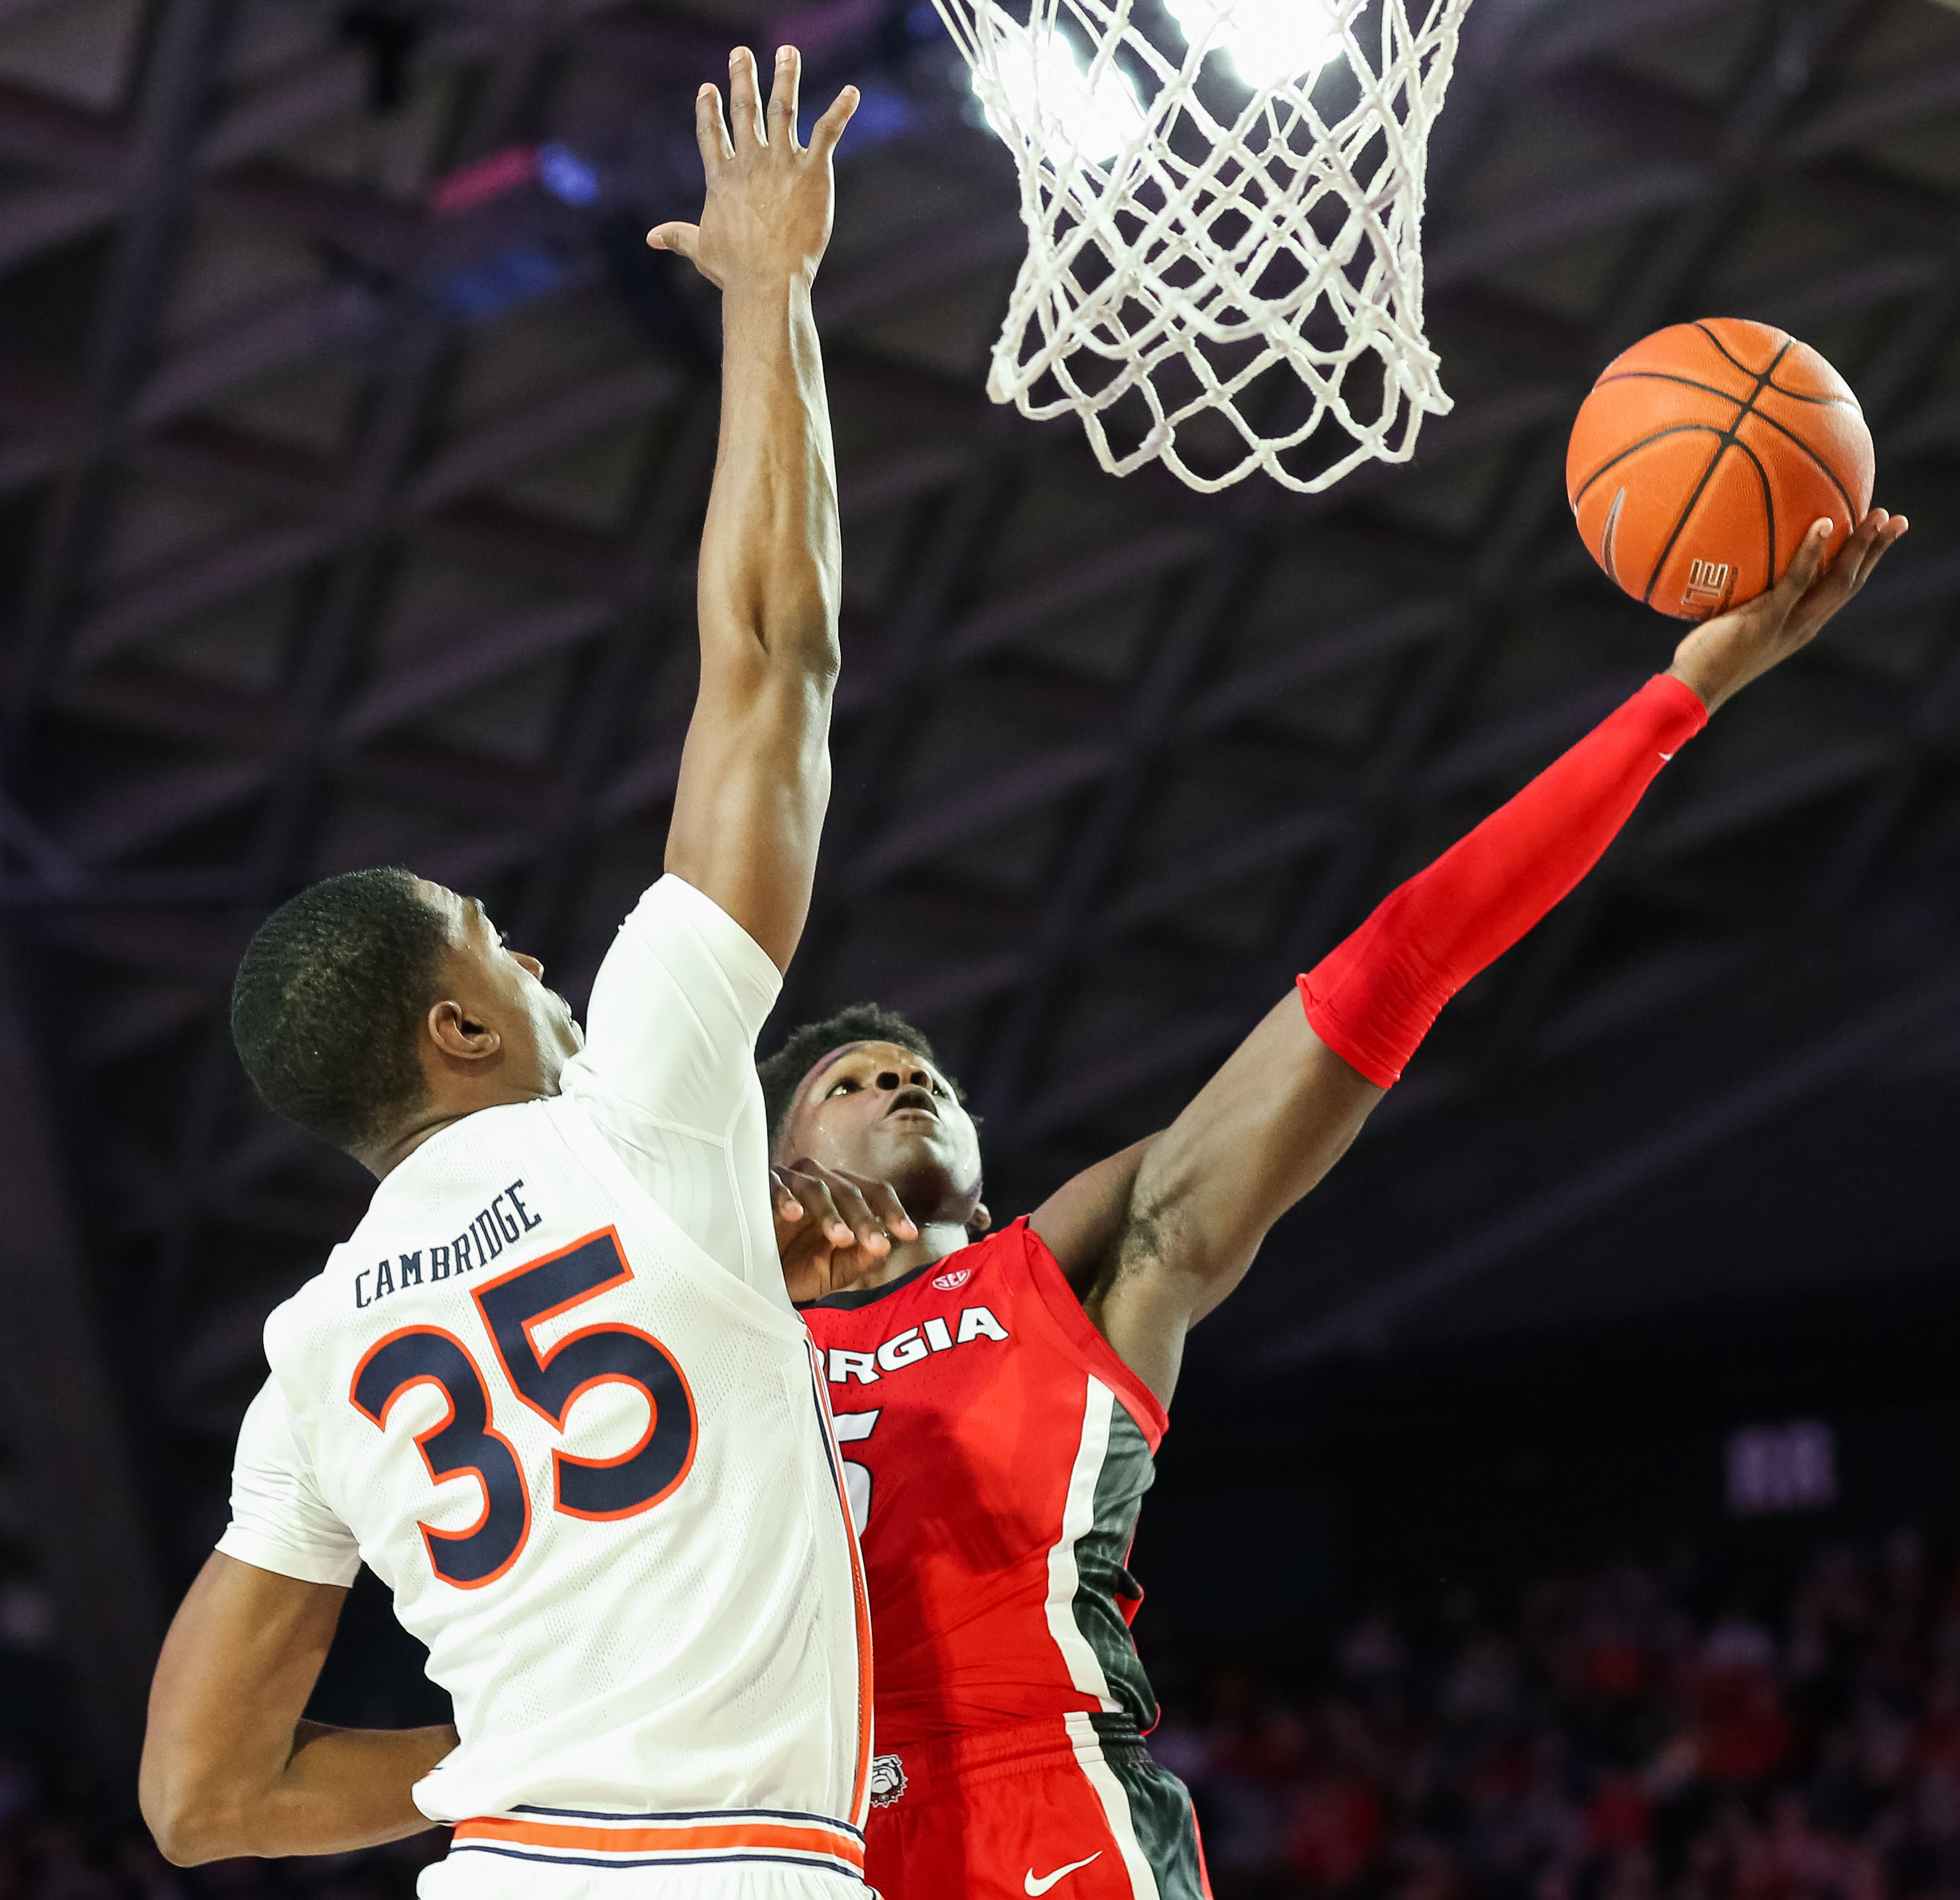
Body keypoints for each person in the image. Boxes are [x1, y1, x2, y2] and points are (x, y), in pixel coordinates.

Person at [757, 508, 1909, 1900]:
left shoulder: (1077, 1273)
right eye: (848, 1080)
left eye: (921, 1074)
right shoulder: (700, 1327)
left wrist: (1682, 695)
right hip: (769, 1843)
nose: (895, 1079)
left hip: (1040, 1810)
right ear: (768, 1154)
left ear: (982, 1168)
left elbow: (1397, 963)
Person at [140, 49, 882, 1899]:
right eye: (502, 940)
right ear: (460, 1026)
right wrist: (769, 294)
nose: (548, 957)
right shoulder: (636, 1108)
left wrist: (515, 1758)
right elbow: (767, 659)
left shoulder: (313, 1352)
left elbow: (198, 1799)